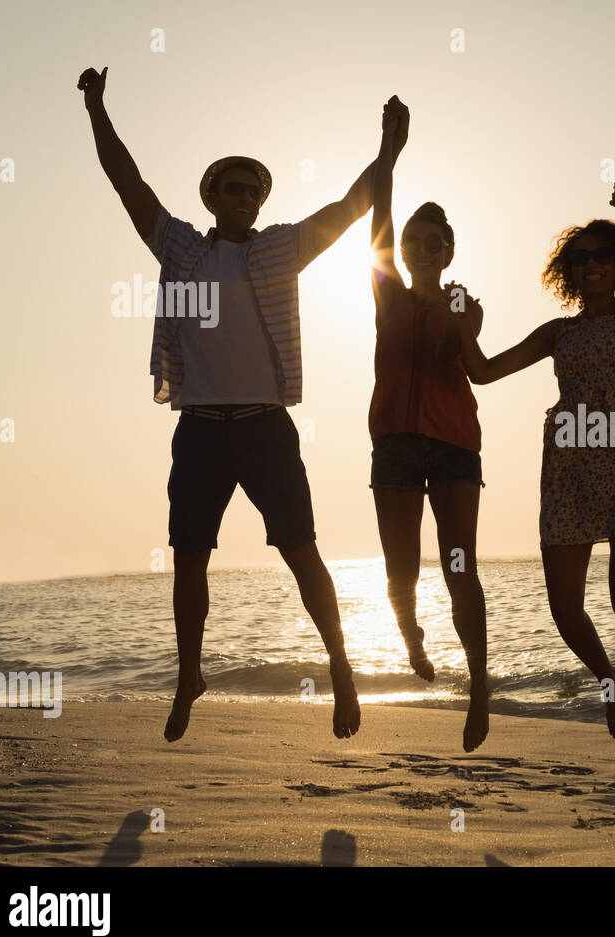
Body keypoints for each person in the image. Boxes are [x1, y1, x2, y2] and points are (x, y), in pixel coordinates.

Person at [78, 66, 374, 742]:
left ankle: (342, 665)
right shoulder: (180, 246)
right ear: (211, 197)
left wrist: (386, 152)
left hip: (267, 427)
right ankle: (190, 675)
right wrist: (97, 108)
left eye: (254, 190)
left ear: (262, 202)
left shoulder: (279, 249)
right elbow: (127, 182)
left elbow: (350, 208)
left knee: (302, 553)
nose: (244, 196)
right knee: (188, 559)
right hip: (202, 430)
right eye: (231, 188)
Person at [447, 171, 615, 740]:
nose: (590, 264)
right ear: (569, 269)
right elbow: (484, 372)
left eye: (601, 257)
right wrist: (464, 324)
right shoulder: (557, 331)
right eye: (580, 257)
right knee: (565, 608)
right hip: (568, 471)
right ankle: (609, 678)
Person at [369, 96, 489, 752]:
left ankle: (478, 685)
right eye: (417, 239)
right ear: (407, 248)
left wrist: (461, 328)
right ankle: (412, 634)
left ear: (448, 250)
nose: (425, 246)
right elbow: (378, 221)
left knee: (459, 565)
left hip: (451, 447)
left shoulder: (464, 300)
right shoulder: (385, 289)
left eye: (437, 240)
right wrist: (390, 152)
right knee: (400, 568)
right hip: (392, 443)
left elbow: (456, 360)